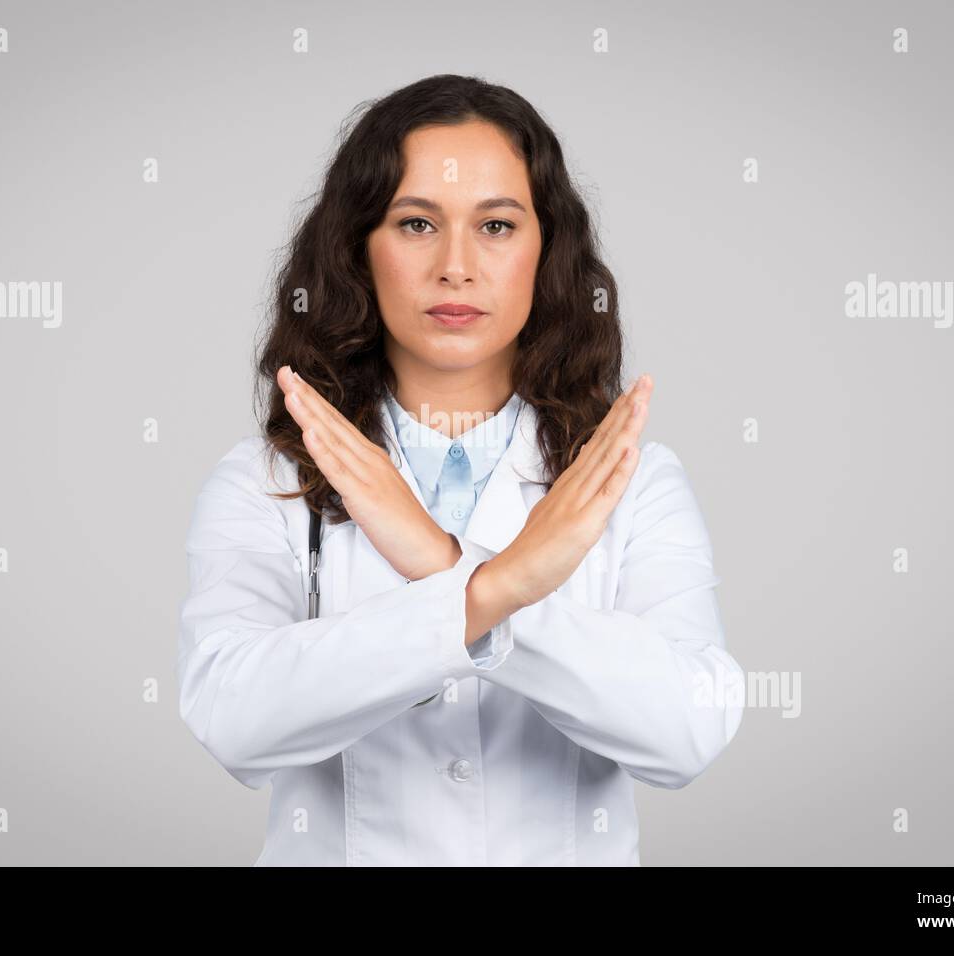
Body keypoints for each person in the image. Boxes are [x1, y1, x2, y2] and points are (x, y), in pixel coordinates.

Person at [176, 74, 744, 866]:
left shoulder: (631, 481)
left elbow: (689, 731)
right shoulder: (265, 481)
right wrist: (496, 588)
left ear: (547, 251)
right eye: (416, 223)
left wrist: (445, 572)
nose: (456, 267)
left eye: (498, 226)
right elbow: (234, 723)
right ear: (357, 251)